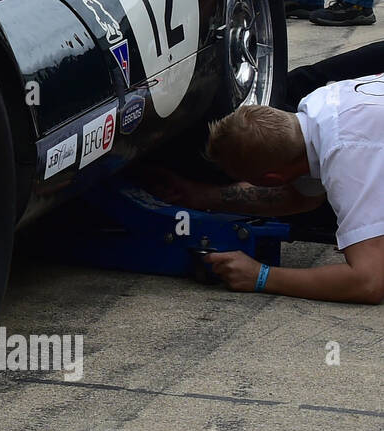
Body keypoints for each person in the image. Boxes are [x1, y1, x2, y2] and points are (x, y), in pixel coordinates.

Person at [162, 95, 384, 304]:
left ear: (272, 180)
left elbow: (367, 282)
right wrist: (200, 196)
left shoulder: (346, 159)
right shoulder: (322, 104)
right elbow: (303, 197)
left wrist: (261, 276)